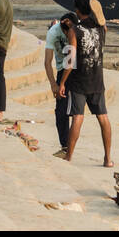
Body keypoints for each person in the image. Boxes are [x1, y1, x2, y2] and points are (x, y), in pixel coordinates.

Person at [57, 0, 113, 166]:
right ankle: (108, 159)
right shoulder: (101, 28)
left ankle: (69, 156)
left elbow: (70, 59)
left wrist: (62, 83)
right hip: (97, 80)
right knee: (103, 118)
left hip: (79, 81)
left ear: (77, 10)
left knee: (77, 118)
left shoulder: (75, 30)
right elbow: (103, 25)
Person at [44, 11, 75, 154]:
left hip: (77, 70)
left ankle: (69, 147)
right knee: (61, 111)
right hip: (62, 70)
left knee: (75, 111)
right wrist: (54, 84)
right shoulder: (53, 33)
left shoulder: (77, 30)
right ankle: (65, 146)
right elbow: (47, 61)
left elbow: (72, 60)